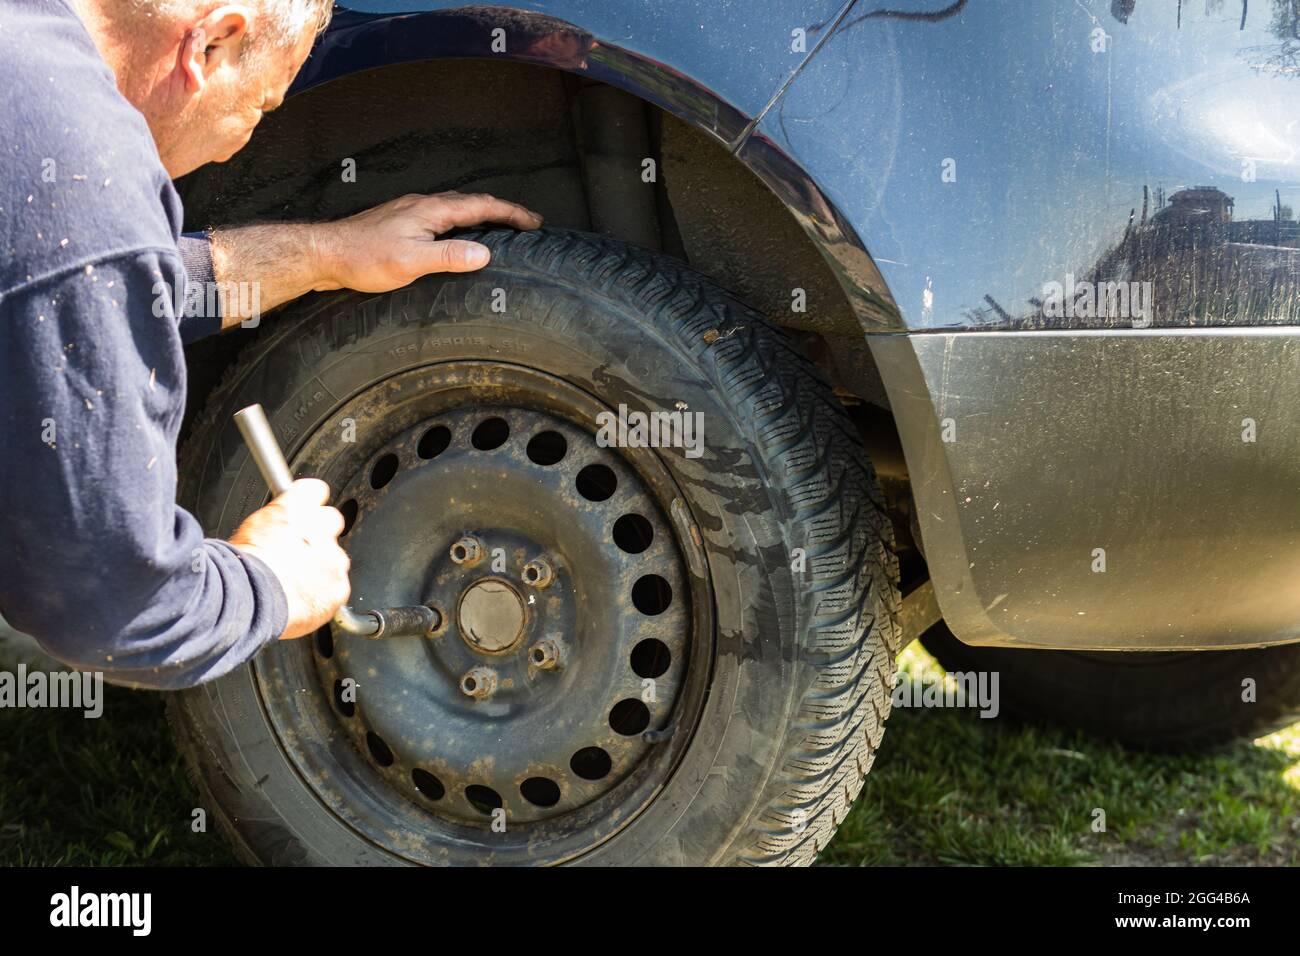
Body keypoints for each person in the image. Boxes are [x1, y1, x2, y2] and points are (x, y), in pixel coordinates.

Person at [0, 0, 543, 688]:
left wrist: (327, 254)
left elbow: (85, 283)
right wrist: (270, 578)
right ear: (212, 42)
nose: (236, 147)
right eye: (259, 107)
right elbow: (114, 607)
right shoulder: (81, 172)